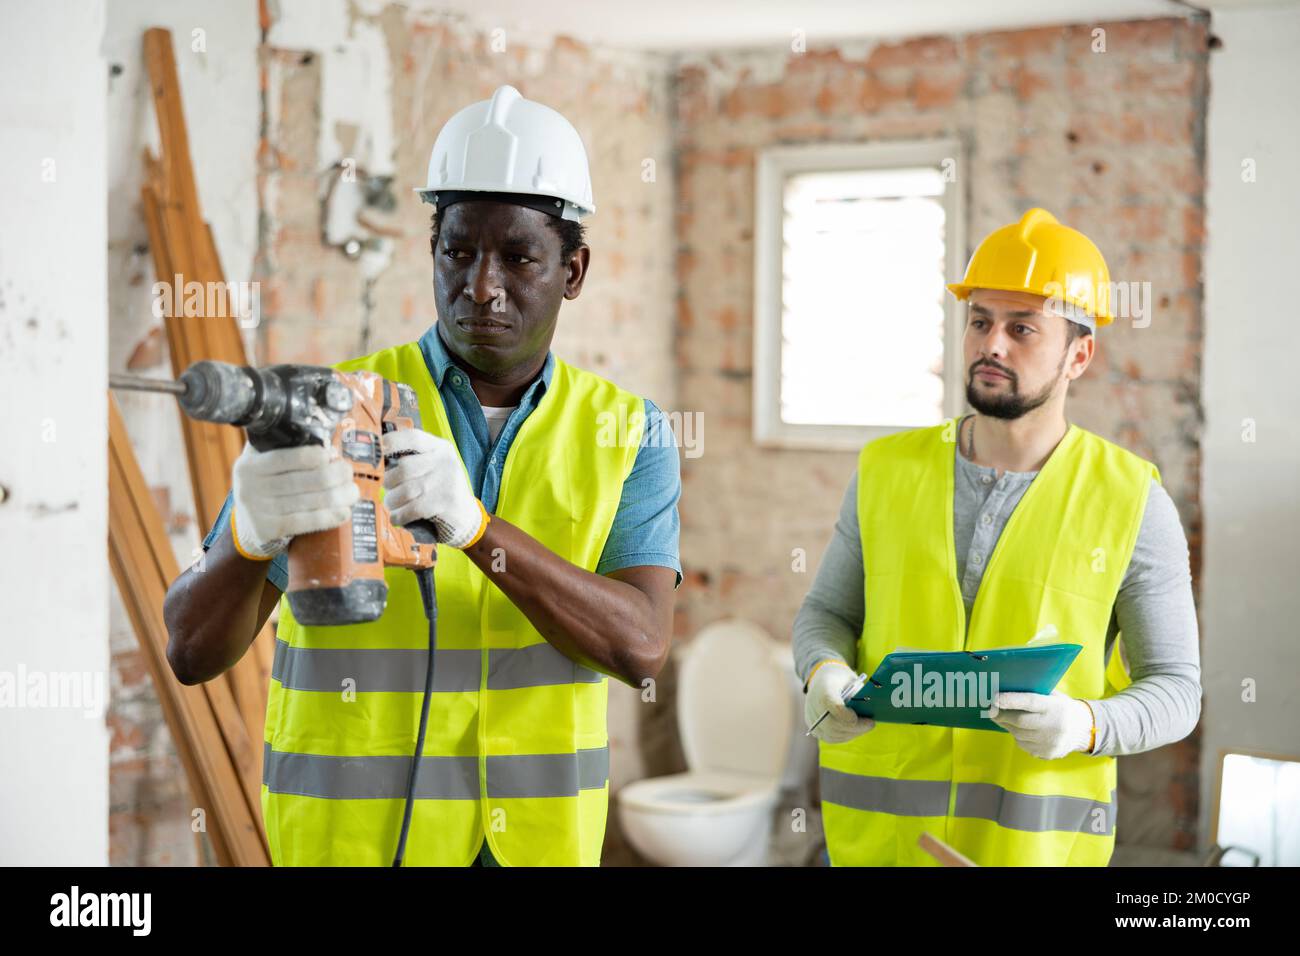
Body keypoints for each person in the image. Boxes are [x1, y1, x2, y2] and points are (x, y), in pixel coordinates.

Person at [163, 85, 682, 867]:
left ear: (572, 271)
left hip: (535, 847)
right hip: (352, 845)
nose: (481, 286)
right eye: (459, 251)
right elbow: (191, 651)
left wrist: (474, 528)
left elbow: (640, 645)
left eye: (517, 257)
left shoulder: (628, 431)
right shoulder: (335, 407)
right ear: (431, 251)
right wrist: (246, 532)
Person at [793, 208, 1201, 866]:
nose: (993, 345)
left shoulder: (1130, 500)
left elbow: (1176, 690)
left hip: (1031, 851)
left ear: (1079, 355)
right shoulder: (884, 471)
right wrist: (822, 669)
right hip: (879, 846)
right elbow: (828, 613)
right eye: (980, 321)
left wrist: (1087, 725)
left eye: (1022, 329)